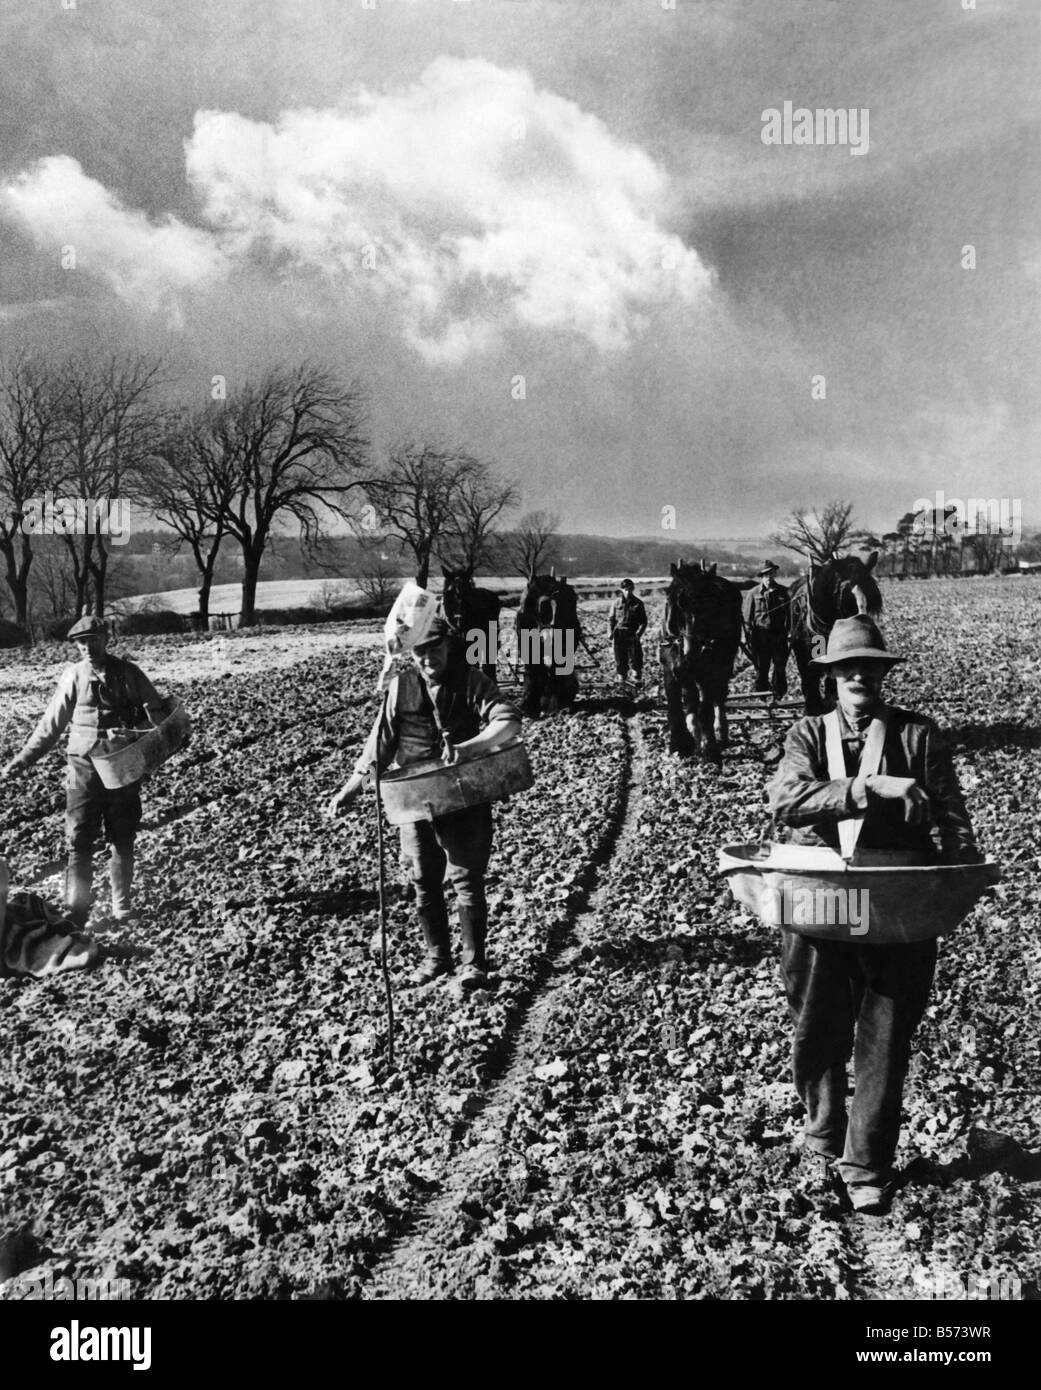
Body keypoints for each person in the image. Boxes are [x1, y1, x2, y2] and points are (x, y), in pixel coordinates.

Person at [766, 615, 982, 1215]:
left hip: (895, 900)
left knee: (885, 1034)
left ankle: (867, 1164)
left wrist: (960, 875)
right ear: (831, 677)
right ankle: (823, 1134)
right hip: (819, 896)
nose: (859, 675)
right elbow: (786, 800)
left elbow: (952, 814)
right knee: (815, 1027)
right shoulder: (808, 736)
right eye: (847, 667)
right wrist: (873, 787)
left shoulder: (919, 734)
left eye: (870, 666)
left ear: (883, 674)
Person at [329, 613, 522, 992]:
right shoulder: (400, 688)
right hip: (414, 801)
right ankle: (436, 959)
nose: (427, 658)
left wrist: (469, 748)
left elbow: (509, 721)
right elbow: (377, 748)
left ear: (448, 645)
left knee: (466, 879)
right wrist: (350, 789)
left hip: (464, 796)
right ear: (410, 652)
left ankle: (474, 965)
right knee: (424, 881)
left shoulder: (470, 681)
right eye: (419, 651)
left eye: (434, 649)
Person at [1, 615, 172, 926]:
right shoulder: (74, 676)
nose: (88, 647)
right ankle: (77, 912)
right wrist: (21, 761)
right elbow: (50, 726)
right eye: (81, 643)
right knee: (78, 839)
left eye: (93, 639)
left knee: (122, 835)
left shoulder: (129, 673)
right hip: (82, 768)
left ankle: (122, 906)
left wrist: (134, 735)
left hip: (122, 765)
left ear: (106, 639)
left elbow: (157, 715)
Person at [743, 561, 790, 699]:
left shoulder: (784, 592)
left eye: (771, 574)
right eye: (765, 575)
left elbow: (790, 615)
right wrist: (746, 637)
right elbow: (747, 617)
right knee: (762, 669)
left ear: (774, 574)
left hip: (779, 636)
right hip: (760, 636)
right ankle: (761, 697)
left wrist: (790, 632)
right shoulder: (753, 593)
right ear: (761, 577)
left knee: (780, 668)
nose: (768, 577)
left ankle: (779, 695)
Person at [608, 579, 647, 686]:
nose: (628, 591)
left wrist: (638, 634)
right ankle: (622, 683)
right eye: (625, 589)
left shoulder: (638, 603)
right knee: (620, 660)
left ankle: (637, 682)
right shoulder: (616, 603)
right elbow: (611, 619)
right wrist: (610, 633)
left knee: (636, 660)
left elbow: (643, 622)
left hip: (632, 634)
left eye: (630, 589)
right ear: (622, 590)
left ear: (633, 589)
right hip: (619, 634)